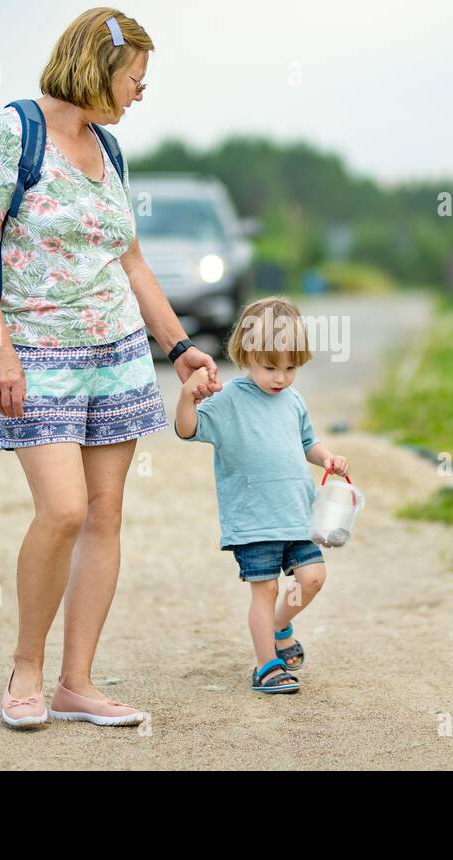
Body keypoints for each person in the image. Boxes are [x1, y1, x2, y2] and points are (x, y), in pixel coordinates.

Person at [0, 7, 222, 729]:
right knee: (64, 510)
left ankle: (76, 683)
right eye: (135, 78)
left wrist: (179, 345)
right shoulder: (12, 133)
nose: (141, 92)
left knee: (105, 516)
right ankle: (25, 672)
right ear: (98, 69)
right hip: (35, 355)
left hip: (119, 357)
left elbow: (130, 262)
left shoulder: (109, 150)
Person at [174, 296, 349, 693]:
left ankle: (280, 625)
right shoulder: (230, 401)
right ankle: (265, 664)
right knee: (266, 589)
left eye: (290, 368)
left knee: (313, 578)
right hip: (254, 520)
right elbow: (188, 429)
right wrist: (187, 396)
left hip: (296, 515)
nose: (281, 378)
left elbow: (308, 442)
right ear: (246, 354)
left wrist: (327, 459)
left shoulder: (293, 400)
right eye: (271, 367)